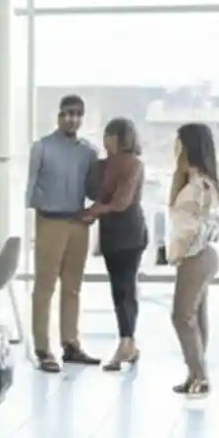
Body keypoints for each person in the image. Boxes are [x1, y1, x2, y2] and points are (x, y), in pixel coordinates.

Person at [26, 94, 101, 372]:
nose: (72, 118)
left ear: (82, 118)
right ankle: (43, 348)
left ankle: (71, 344)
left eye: (77, 114)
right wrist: (41, 215)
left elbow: (94, 190)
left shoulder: (89, 152)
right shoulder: (42, 147)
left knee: (73, 288)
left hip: (78, 224)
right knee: (44, 286)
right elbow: (31, 188)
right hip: (50, 222)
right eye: (68, 113)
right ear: (59, 116)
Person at [80, 118, 147, 372]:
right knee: (119, 289)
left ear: (122, 137)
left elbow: (121, 201)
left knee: (124, 287)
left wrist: (94, 211)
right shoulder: (103, 164)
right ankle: (128, 343)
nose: (105, 138)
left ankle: (126, 343)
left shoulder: (133, 164)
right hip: (110, 234)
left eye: (110, 134)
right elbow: (91, 190)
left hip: (129, 232)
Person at [166, 123, 219, 397]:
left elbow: (192, 228)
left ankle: (200, 375)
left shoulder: (197, 187)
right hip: (202, 255)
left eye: (178, 142)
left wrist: (178, 251)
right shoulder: (202, 183)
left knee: (181, 316)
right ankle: (195, 374)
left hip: (196, 256)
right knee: (196, 316)